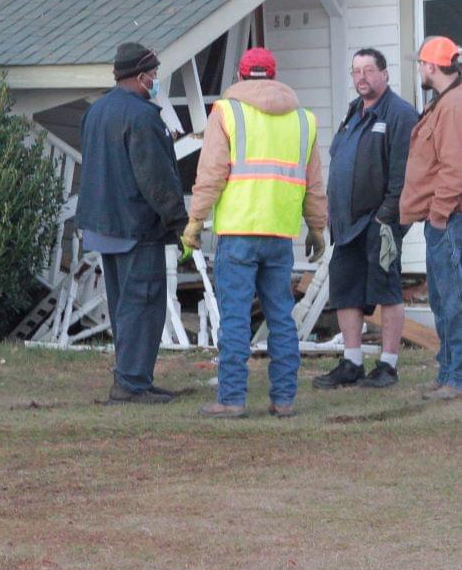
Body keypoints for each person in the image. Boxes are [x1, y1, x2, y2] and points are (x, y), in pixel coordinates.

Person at [183, 48, 326, 419]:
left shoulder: (227, 113)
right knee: (281, 316)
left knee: (234, 317)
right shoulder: (304, 120)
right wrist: (317, 227)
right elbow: (314, 185)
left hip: (239, 232)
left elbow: (211, 174)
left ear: (241, 76)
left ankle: (231, 399)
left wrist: (194, 222)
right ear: (275, 76)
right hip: (280, 234)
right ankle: (284, 399)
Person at [75, 42, 189, 404]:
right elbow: (155, 178)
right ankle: (131, 384)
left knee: (124, 305)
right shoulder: (142, 117)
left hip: (103, 225)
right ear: (141, 77)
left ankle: (134, 377)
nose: (155, 81)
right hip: (137, 226)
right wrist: (178, 221)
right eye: (153, 76)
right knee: (142, 305)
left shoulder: (95, 112)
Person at [312, 48, 414, 389]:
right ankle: (351, 362)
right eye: (356, 71)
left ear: (384, 74)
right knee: (345, 291)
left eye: (369, 70)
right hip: (346, 224)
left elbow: (403, 174)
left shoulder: (400, 114)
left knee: (386, 289)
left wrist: (387, 218)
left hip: (379, 221)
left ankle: (387, 365)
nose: (361, 77)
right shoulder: (354, 112)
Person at [399, 36, 462, 402]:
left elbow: (454, 168)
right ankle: (447, 372)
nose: (419, 69)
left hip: (449, 219)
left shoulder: (452, 107)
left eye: (421, 63)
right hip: (444, 218)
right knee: (442, 299)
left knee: (452, 299)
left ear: (431, 67)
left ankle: (455, 377)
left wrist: (438, 216)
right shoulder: (445, 102)